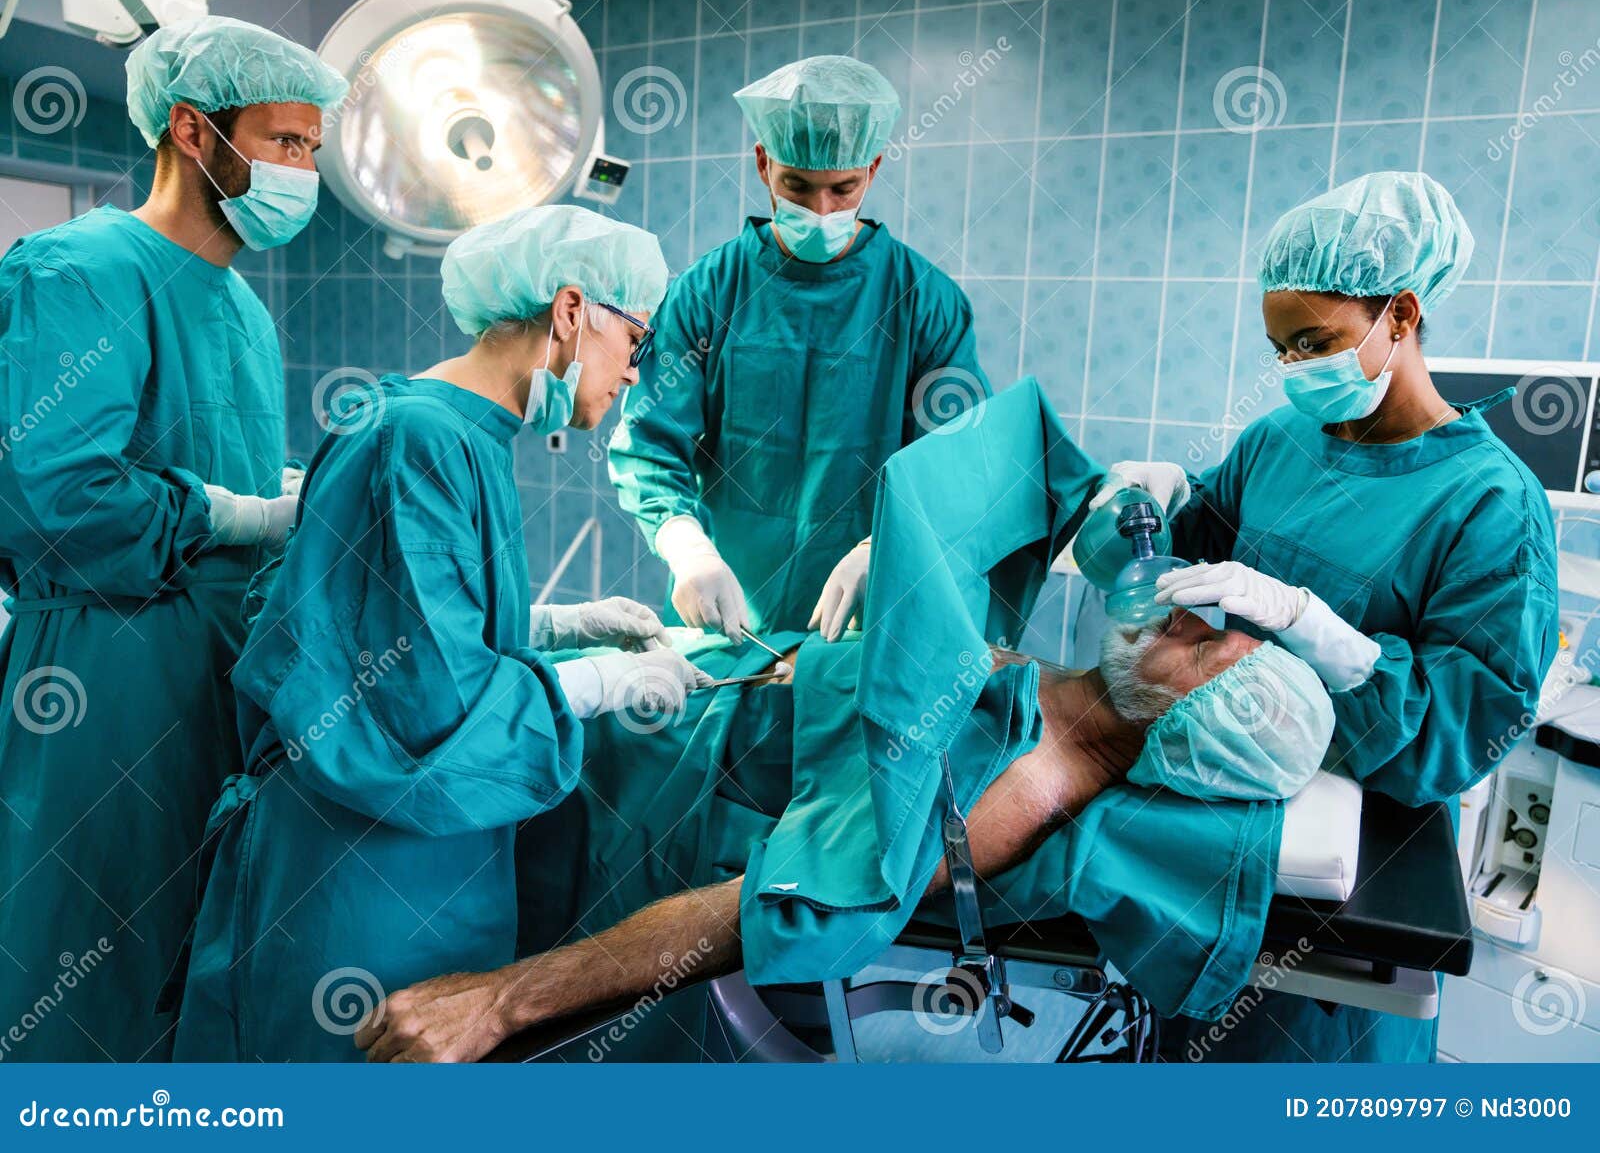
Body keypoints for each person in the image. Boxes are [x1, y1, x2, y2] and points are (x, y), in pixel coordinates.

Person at [170, 205, 709, 1062]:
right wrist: (596, 681)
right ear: (572, 312)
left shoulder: (470, 434)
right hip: (360, 874)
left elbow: (392, 615)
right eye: (635, 344)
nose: (636, 375)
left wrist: (558, 623)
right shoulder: (413, 435)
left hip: (432, 863)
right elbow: (422, 699)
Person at [353, 608, 1334, 1063]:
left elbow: (760, 913)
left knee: (394, 823)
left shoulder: (1015, 790)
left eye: (1201, 644)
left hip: (654, 776)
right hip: (696, 678)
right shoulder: (1059, 689)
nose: (1181, 612)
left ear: (1178, 719)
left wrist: (501, 1002)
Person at [1094, 170, 1560, 1062]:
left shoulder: (1490, 501)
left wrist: (1321, 632)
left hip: (1353, 866)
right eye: (1281, 349)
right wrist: (1140, 508)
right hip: (1232, 814)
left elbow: (1463, 737)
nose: (1297, 370)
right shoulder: (1278, 440)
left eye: (1317, 341)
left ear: (1403, 315)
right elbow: (1186, 553)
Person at [0, 15, 345, 1061]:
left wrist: (292, 495)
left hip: (216, 681)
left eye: (313, 151)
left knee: (191, 985)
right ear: (196, 133)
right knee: (79, 985)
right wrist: (237, 513)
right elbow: (54, 495)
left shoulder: (244, 309)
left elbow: (219, 459)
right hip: (106, 686)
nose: (305, 171)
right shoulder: (77, 268)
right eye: (288, 143)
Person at [609, 54, 991, 643]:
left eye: (843, 188)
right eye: (798, 185)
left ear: (874, 169)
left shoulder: (923, 301)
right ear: (764, 164)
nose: (821, 211)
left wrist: (885, 549)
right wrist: (685, 547)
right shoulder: (708, 292)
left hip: (868, 614)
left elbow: (956, 458)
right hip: (729, 612)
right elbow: (650, 443)